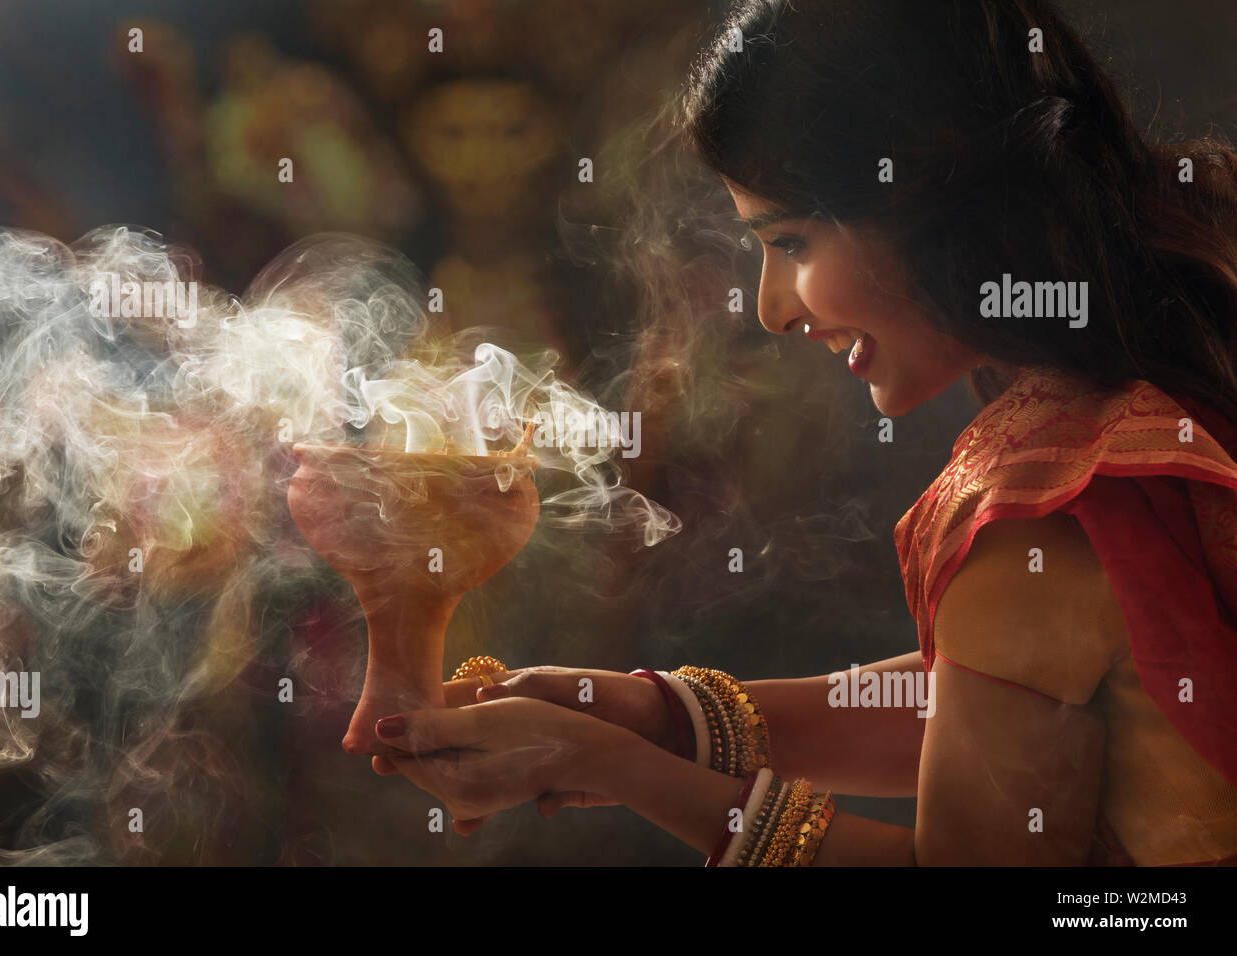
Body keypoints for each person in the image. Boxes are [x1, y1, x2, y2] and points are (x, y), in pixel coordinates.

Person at [368, 0, 1237, 865]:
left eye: (789, 241)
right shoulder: (1191, 287)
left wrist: (612, 765)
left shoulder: (1042, 499)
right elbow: (1016, 700)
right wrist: (661, 719)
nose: (772, 309)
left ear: (929, 198)